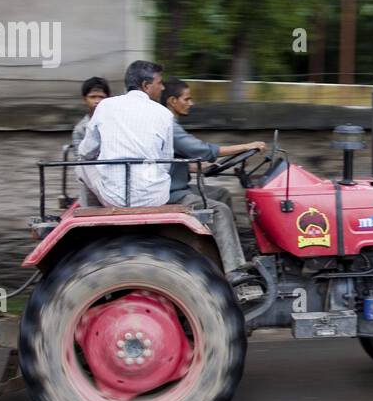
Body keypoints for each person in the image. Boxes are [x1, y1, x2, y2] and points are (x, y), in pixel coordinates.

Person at [162, 78, 264, 274]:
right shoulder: (168, 125)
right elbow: (201, 149)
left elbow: (176, 161)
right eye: (187, 98)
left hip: (176, 186)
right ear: (172, 101)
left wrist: (207, 167)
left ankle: (224, 254)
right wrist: (246, 146)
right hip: (172, 194)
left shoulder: (169, 123)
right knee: (220, 210)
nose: (191, 103)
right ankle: (236, 273)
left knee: (222, 194)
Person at [77, 60, 174, 208]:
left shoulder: (105, 106)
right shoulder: (165, 114)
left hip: (114, 199)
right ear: (146, 86)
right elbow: (166, 162)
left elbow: (86, 151)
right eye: (159, 83)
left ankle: (89, 212)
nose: (163, 87)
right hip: (155, 198)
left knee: (81, 164)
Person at [70, 77, 111, 155]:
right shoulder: (80, 129)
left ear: (108, 99)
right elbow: (79, 158)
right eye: (93, 97)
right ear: (85, 99)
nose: (97, 101)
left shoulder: (116, 122)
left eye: (101, 97)